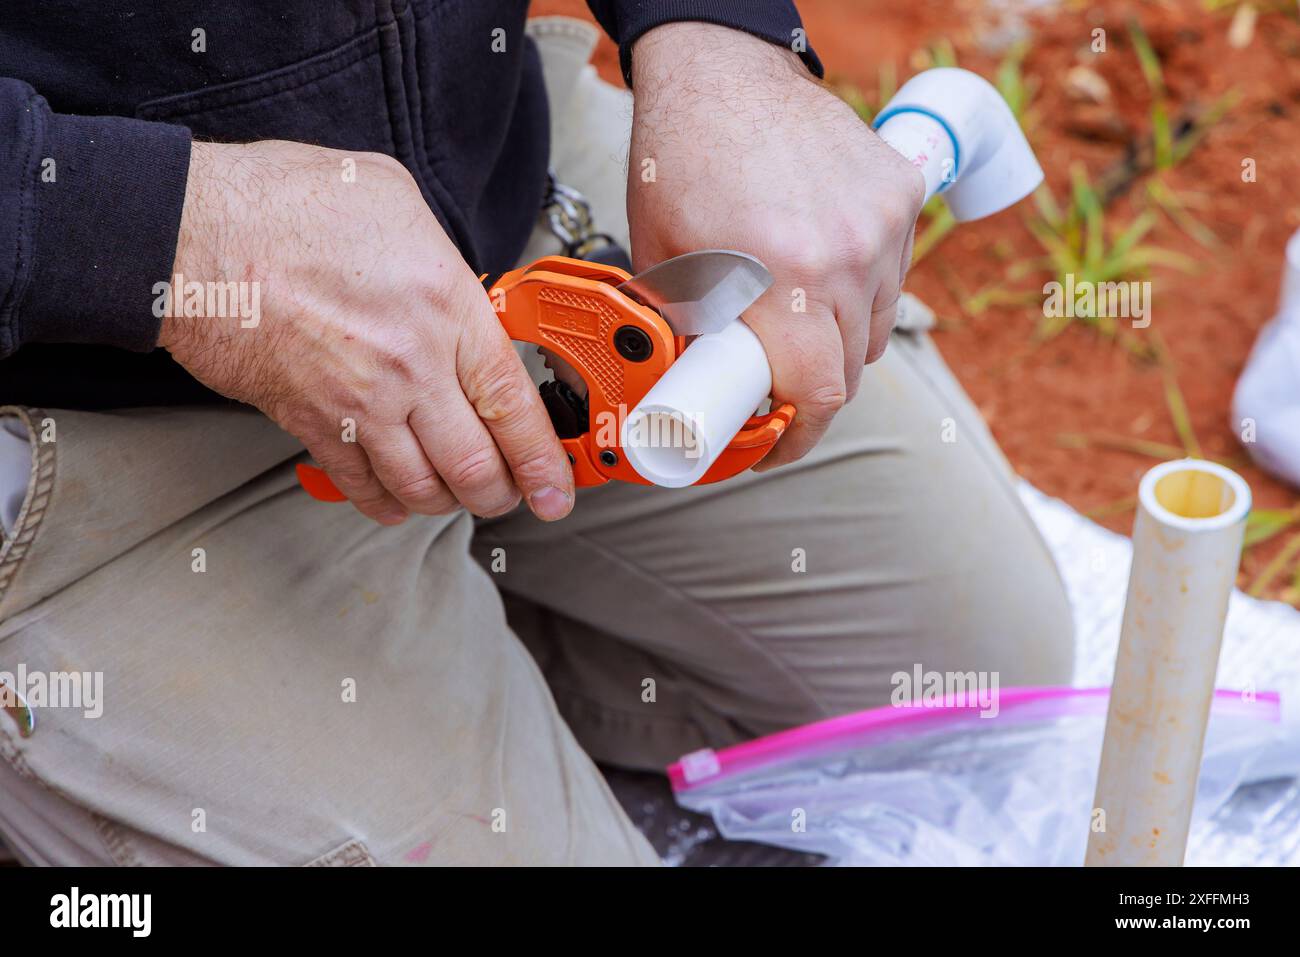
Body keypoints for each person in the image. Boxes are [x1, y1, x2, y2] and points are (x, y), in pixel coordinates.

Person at [0, 2, 1073, 865]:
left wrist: (718, 41)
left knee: (963, 688)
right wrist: (163, 230)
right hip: (84, 390)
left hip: (491, 198)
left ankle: (460, 633)